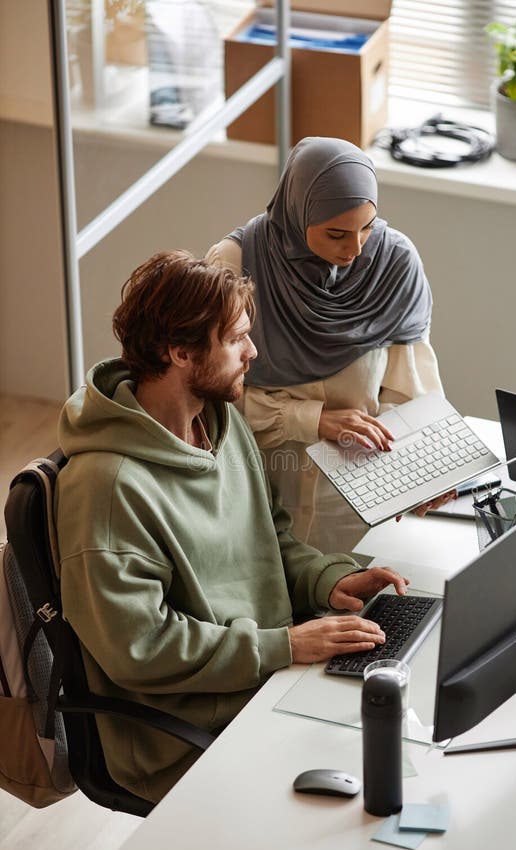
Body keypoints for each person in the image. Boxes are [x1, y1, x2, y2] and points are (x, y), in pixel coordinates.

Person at [55, 250, 410, 804]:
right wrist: (283, 646)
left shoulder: (221, 424)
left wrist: (328, 581)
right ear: (180, 352)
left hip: (266, 673)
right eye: (237, 339)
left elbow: (273, 537)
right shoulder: (106, 488)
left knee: (403, 730)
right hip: (186, 730)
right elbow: (139, 646)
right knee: (368, 780)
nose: (253, 352)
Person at [205, 137, 453, 554]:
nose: (355, 248)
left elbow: (412, 396)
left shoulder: (395, 266)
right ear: (297, 210)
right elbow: (210, 403)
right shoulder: (237, 263)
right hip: (257, 498)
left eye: (367, 227)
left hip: (357, 511)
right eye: (336, 233)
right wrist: (311, 420)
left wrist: (424, 472)